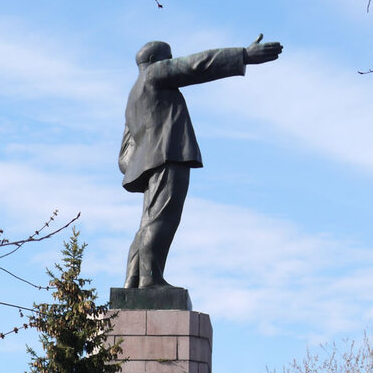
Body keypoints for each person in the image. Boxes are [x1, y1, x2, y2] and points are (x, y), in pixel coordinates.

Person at [119, 34, 283, 289]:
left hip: (151, 163)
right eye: (168, 59)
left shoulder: (132, 99)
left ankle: (134, 280)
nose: (171, 63)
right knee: (164, 218)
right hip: (168, 155)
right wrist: (243, 56)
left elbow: (125, 155)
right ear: (153, 60)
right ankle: (150, 280)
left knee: (148, 222)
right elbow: (197, 65)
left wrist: (141, 163)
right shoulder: (153, 74)